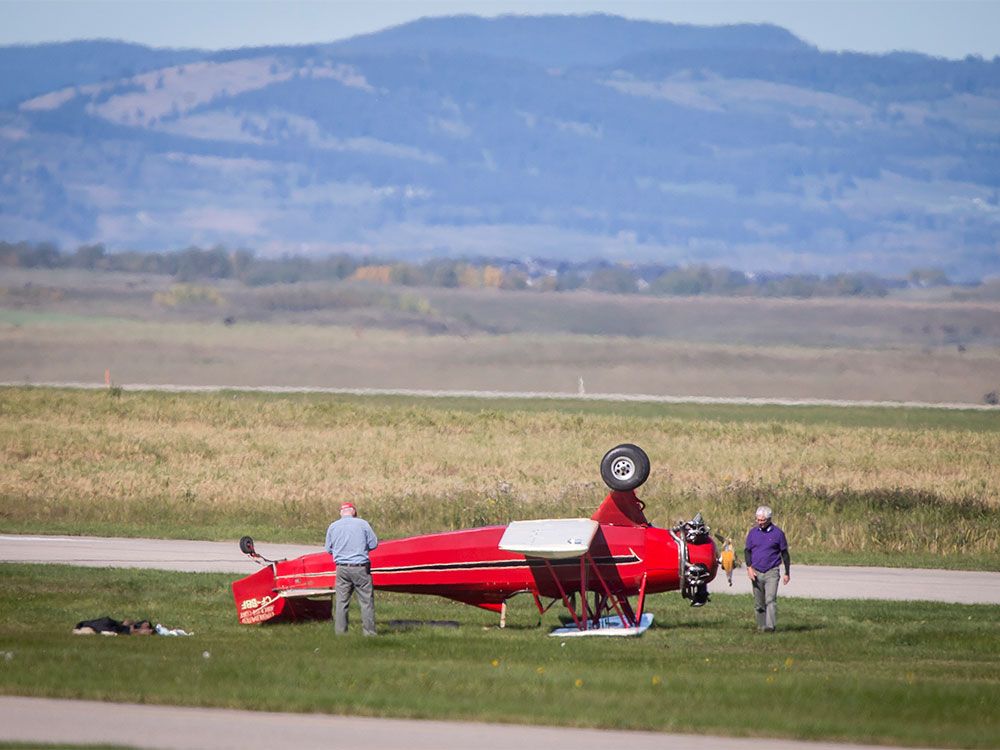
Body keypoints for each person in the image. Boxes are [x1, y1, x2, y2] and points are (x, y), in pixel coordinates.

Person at [324, 501, 379, 636]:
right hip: (360, 567)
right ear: (353, 511)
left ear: (341, 512)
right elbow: (373, 544)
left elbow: (328, 549)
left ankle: (341, 633)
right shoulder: (363, 524)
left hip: (342, 568)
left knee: (341, 602)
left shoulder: (333, 526)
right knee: (366, 602)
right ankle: (369, 633)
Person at [744, 505, 790, 632]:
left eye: (763, 520)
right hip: (756, 571)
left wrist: (787, 573)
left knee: (770, 600)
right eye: (758, 520)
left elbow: (785, 554)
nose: (760, 522)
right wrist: (749, 568)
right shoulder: (753, 533)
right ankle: (761, 627)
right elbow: (747, 551)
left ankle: (770, 627)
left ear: (769, 519)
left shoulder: (778, 534)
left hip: (772, 571)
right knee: (759, 603)